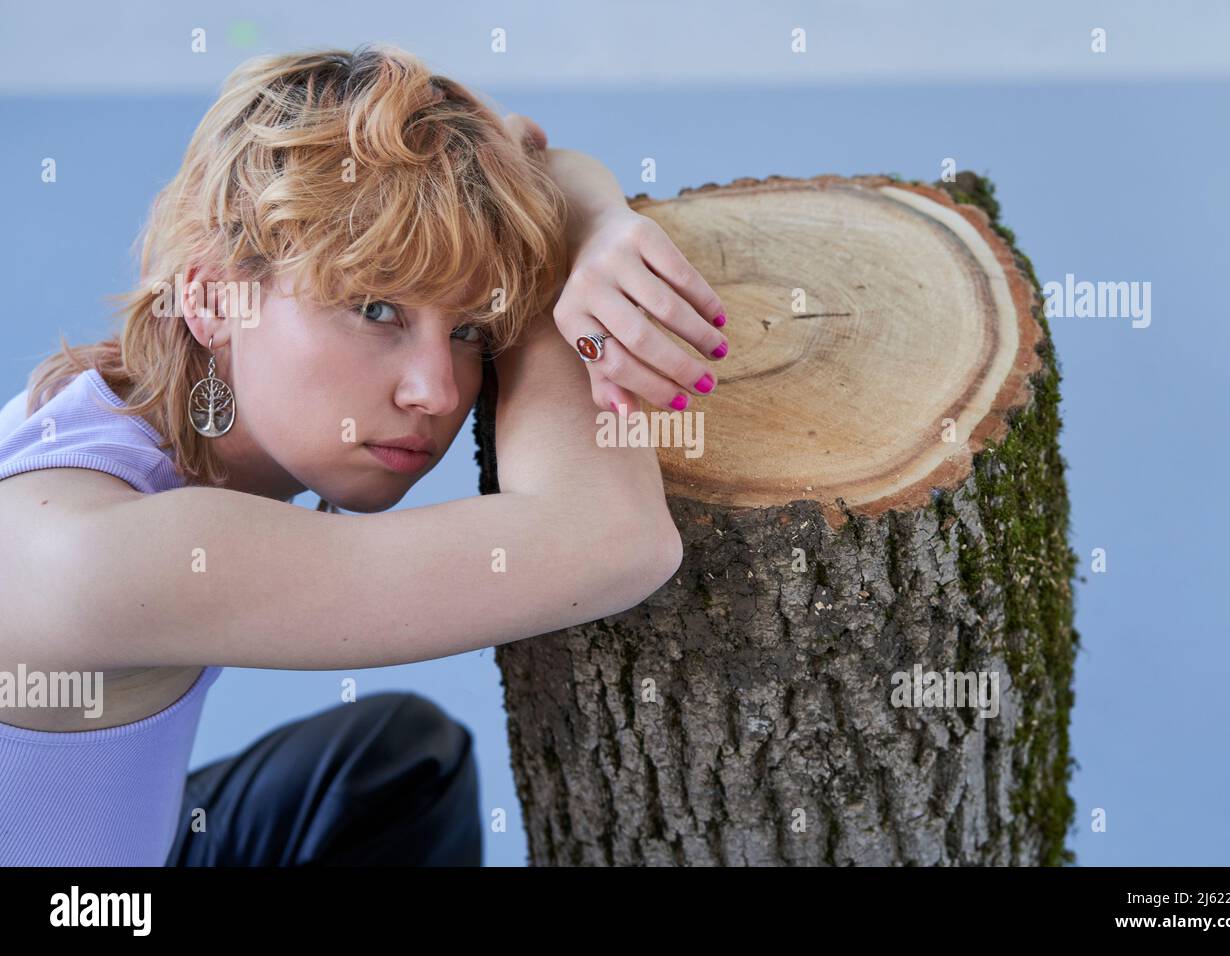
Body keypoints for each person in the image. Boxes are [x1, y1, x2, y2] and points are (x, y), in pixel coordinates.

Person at [0, 43, 729, 866]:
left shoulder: (117, 402)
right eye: (376, 309)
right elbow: (616, 538)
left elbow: (525, 144)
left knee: (390, 758)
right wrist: (565, 280)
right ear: (210, 295)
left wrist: (594, 224)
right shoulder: (84, 550)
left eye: (468, 332)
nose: (439, 392)